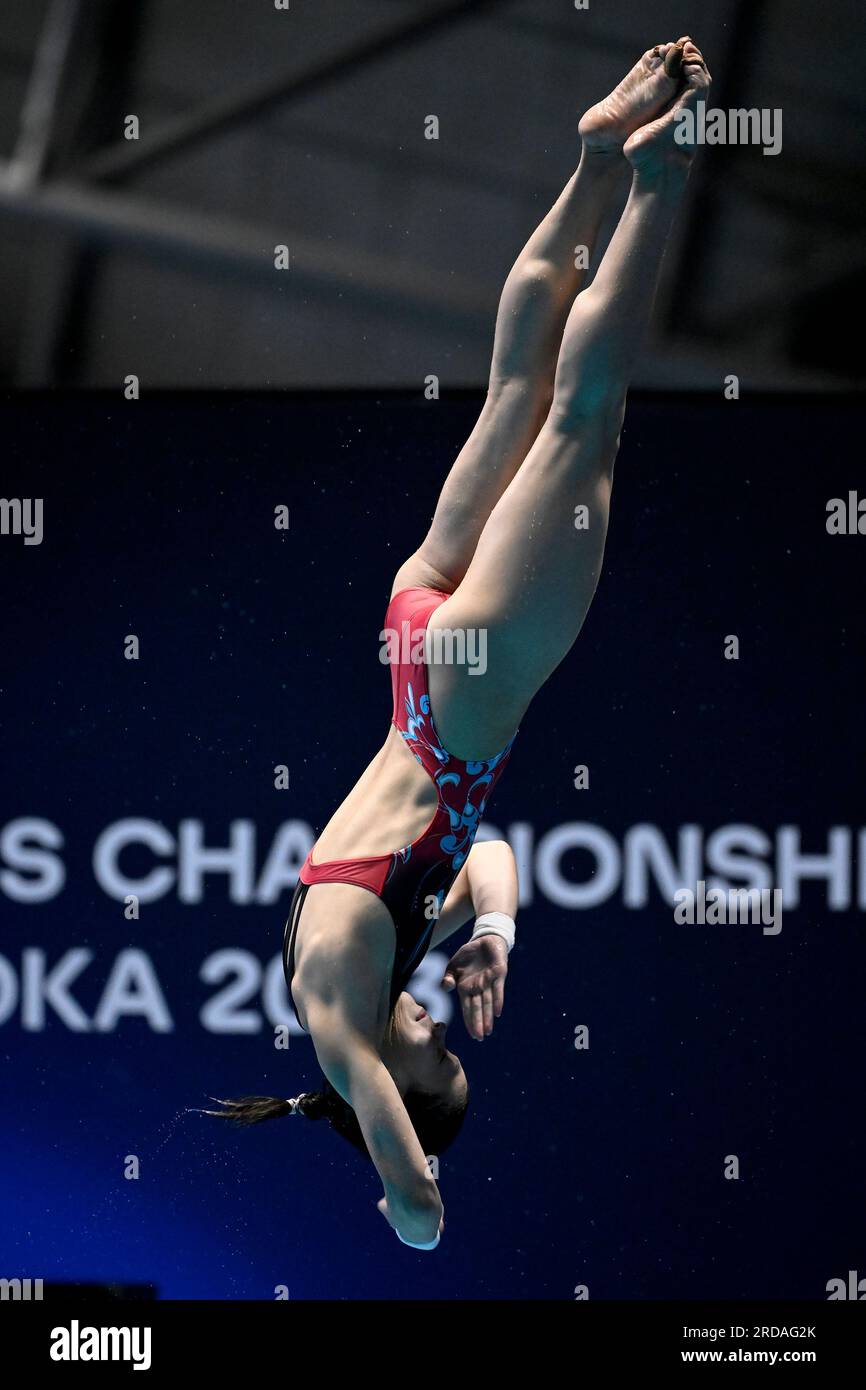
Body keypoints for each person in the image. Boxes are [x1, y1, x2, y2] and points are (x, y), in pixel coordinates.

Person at [208, 37, 711, 1251]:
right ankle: (595, 159)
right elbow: (491, 860)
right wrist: (495, 936)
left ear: (383, 1085)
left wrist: (408, 1175)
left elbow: (418, 1212)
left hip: (463, 697)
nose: (435, 1023)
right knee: (514, 395)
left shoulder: (333, 1006)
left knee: (582, 422)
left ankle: (657, 181)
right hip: (416, 641)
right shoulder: (381, 961)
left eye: (424, 1055)